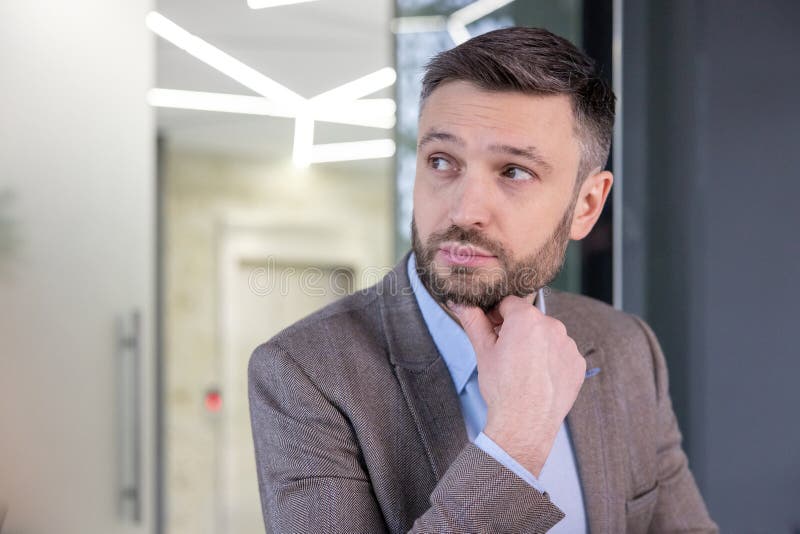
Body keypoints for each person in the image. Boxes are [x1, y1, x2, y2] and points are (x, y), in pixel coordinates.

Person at [248, 27, 717, 533]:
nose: (465, 209)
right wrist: (513, 447)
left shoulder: (628, 349)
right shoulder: (306, 373)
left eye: (514, 171)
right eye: (442, 162)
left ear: (586, 206)